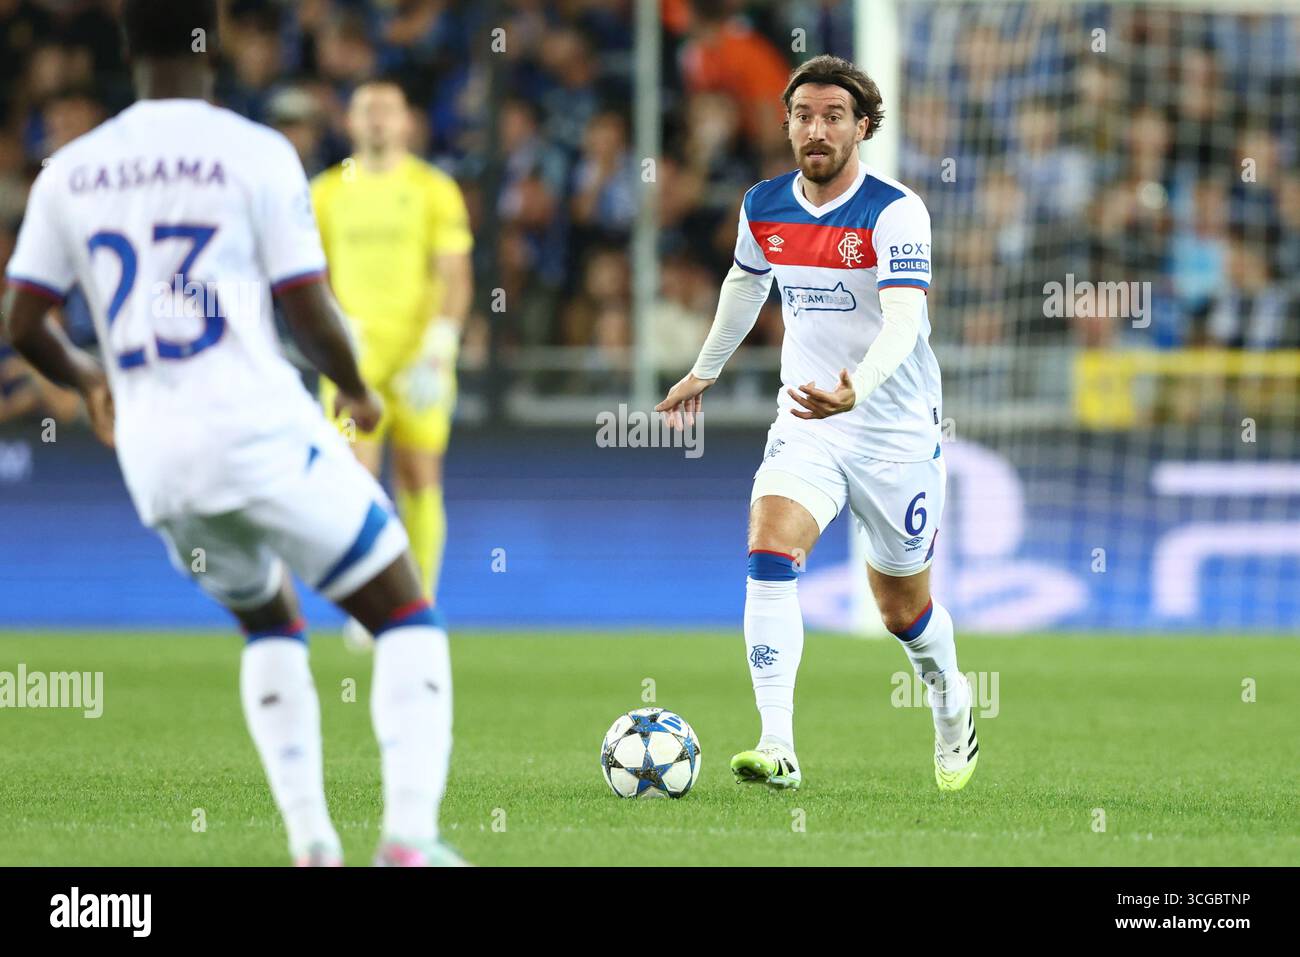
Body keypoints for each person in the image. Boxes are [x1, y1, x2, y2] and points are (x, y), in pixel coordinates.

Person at [1, 0, 460, 866]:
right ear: (216, 41)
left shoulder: (73, 171)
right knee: (402, 607)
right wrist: (358, 389)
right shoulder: (254, 152)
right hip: (254, 427)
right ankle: (408, 840)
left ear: (129, 47)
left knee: (271, 621)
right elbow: (306, 307)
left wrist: (92, 379)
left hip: (156, 460)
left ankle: (314, 844)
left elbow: (23, 318)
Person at [657, 55, 978, 792]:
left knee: (903, 610)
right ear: (787, 124)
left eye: (834, 116)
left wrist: (857, 388)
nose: (817, 128)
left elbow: (906, 318)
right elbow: (746, 281)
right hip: (808, 421)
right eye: (804, 115)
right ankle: (778, 744)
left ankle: (951, 697)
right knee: (769, 546)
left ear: (863, 127)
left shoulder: (895, 210)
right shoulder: (764, 203)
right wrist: (706, 368)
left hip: (892, 431)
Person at [311, 78, 473, 649]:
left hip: (420, 358)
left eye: (388, 109)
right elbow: (308, 277)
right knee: (355, 479)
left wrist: (441, 344)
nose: (377, 120)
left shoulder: (433, 189)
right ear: (349, 123)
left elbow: (455, 275)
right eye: (366, 110)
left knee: (418, 476)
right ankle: (370, 601)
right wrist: (329, 330)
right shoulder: (326, 192)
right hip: (353, 358)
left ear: (407, 122)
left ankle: (417, 601)